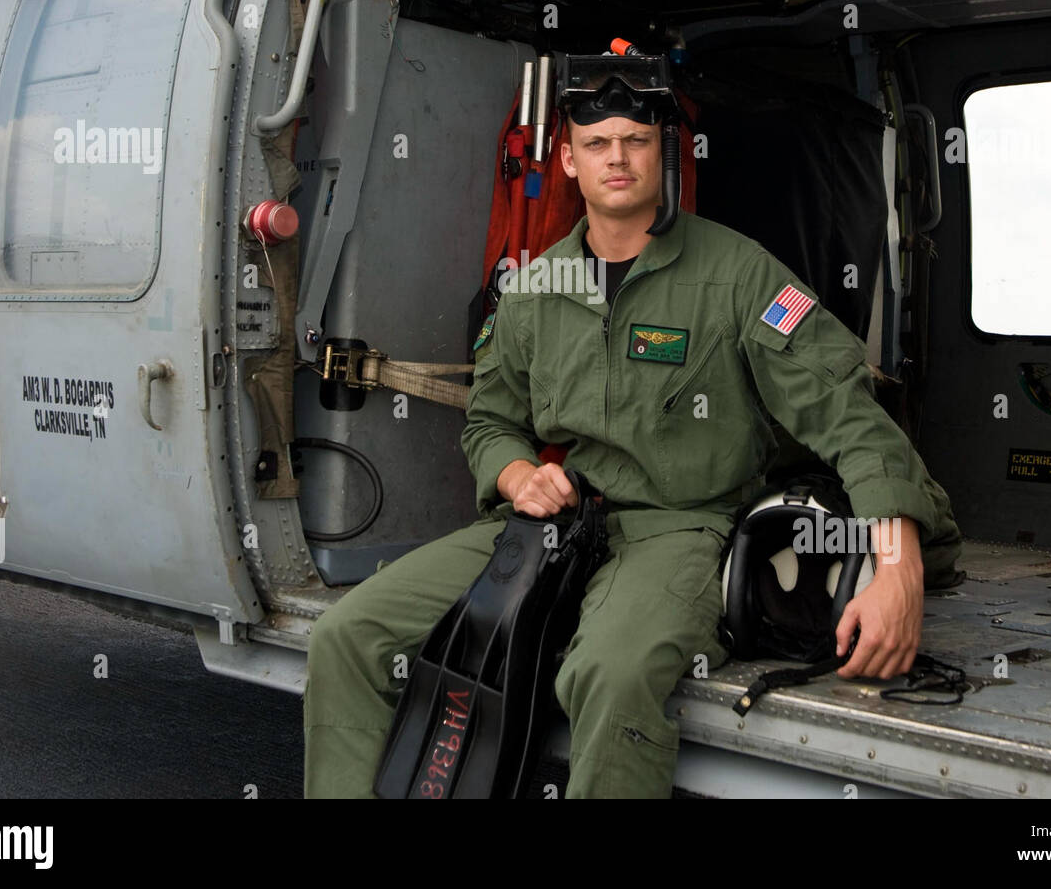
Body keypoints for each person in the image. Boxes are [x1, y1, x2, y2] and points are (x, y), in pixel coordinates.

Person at [303, 75, 962, 799]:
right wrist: (518, 475)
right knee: (347, 638)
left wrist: (899, 567)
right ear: (568, 162)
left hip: (681, 527)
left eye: (637, 141)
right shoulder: (533, 288)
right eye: (596, 144)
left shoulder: (738, 275)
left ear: (665, 154)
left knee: (608, 677)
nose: (617, 158)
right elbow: (491, 422)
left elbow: (849, 414)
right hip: (553, 523)